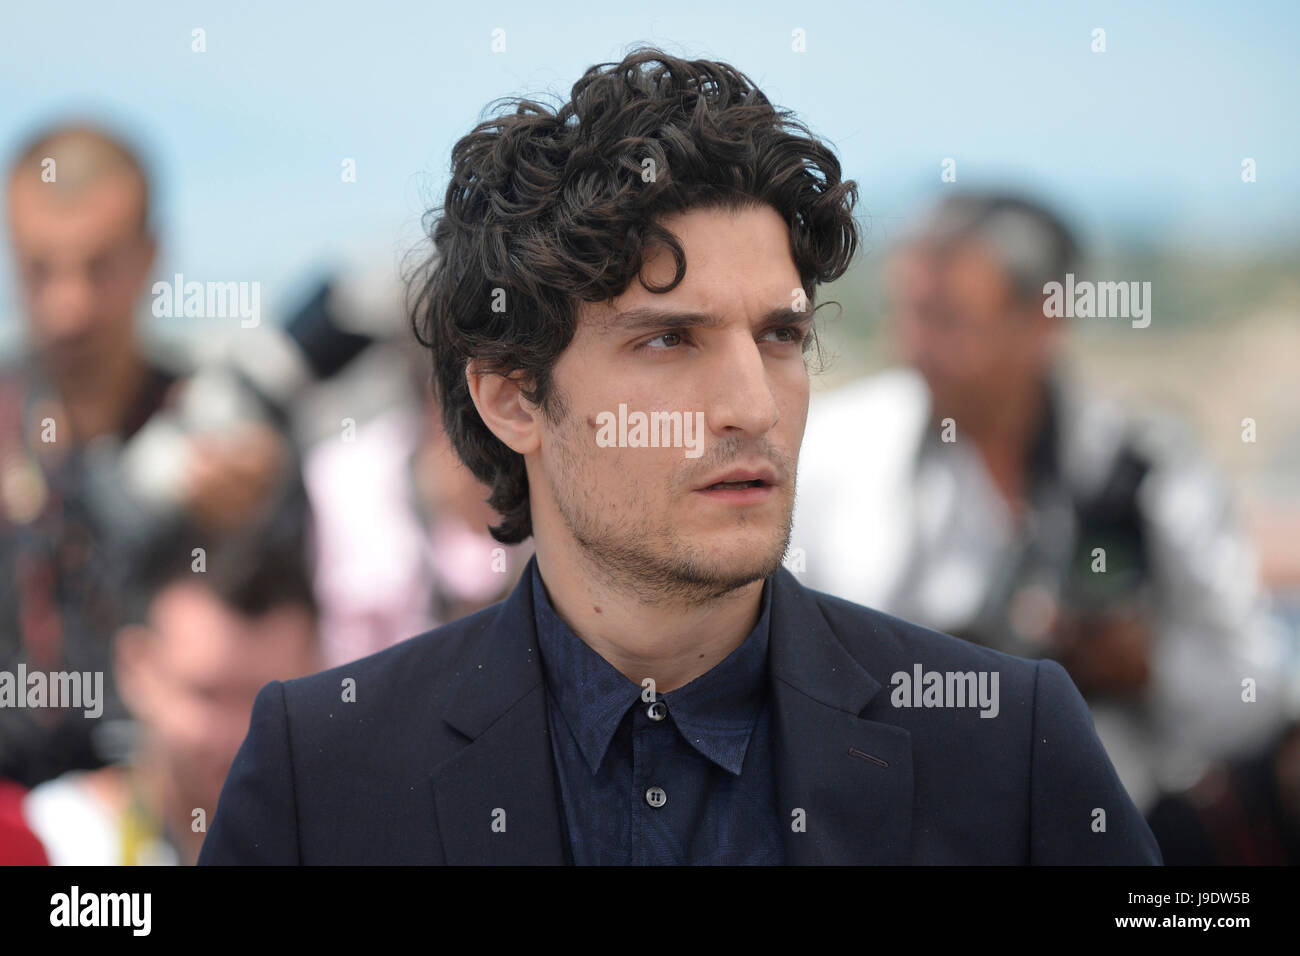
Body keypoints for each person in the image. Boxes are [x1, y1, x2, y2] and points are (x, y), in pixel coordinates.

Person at [199, 47, 1160, 865]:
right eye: (669, 341)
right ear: (512, 395)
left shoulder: (1004, 740)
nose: (752, 406)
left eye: (780, 337)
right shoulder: (322, 770)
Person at [791, 192, 1288, 814]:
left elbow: (1256, 692)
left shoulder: (1145, 469)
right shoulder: (831, 452)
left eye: (948, 321)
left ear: (1043, 322)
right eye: (910, 314)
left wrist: (1144, 668)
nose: (914, 346)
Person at [0, 123, 306, 787]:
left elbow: (293, 644)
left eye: (98, 266)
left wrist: (251, 521)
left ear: (150, 255)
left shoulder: (221, 426)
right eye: (39, 267)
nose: (68, 306)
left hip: (192, 811)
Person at [22, 531, 320, 865]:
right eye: (207, 695)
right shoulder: (51, 840)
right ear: (137, 669)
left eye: (270, 698)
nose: (240, 732)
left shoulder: (358, 836)